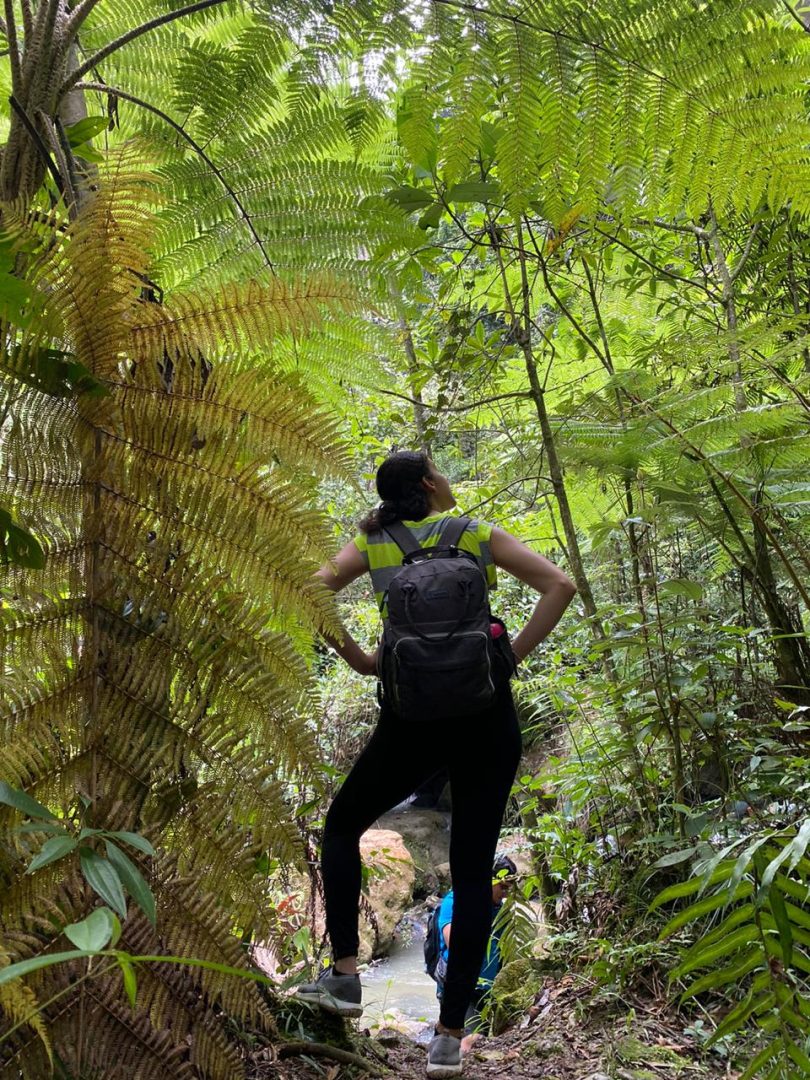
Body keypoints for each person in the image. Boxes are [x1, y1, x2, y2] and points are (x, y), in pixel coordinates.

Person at [296, 451, 576, 1078]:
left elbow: (308, 593)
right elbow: (561, 585)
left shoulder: (373, 543)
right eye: (439, 472)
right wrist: (511, 657)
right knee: (473, 874)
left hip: (411, 720)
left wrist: (359, 660)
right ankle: (448, 1040)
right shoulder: (475, 533)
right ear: (428, 483)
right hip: (486, 718)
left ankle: (345, 976)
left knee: (342, 826)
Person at [435, 854, 518, 1053]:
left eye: (509, 888)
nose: (505, 894)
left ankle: (442, 1054)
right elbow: (454, 943)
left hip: (488, 989)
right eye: (502, 887)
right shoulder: (455, 901)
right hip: (460, 985)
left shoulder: (501, 910)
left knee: (467, 1037)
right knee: (469, 1038)